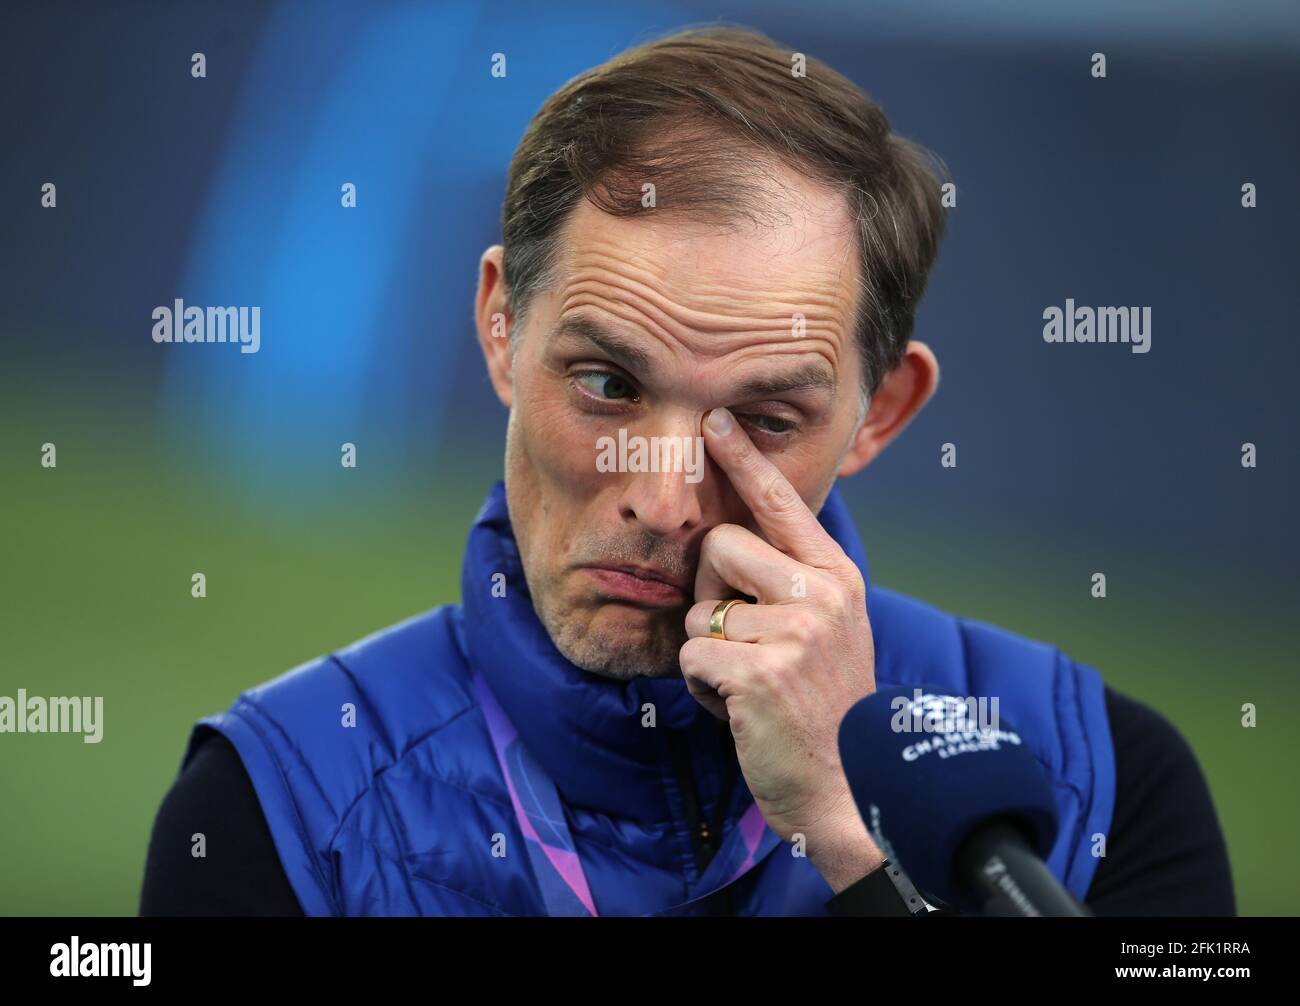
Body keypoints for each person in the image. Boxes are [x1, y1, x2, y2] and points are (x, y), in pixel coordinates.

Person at [141, 24, 1233, 917]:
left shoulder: (1099, 782)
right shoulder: (279, 802)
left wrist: (853, 845)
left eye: (761, 417)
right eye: (608, 384)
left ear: (879, 411)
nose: (663, 500)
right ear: (498, 326)